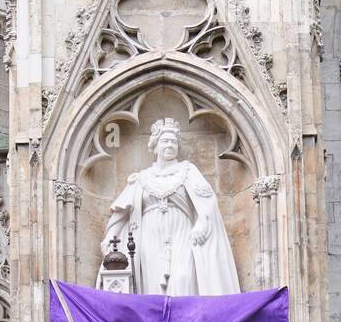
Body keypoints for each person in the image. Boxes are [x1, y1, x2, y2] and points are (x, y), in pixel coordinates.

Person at [99, 117, 240, 296]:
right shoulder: (142, 178)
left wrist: (202, 223)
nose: (170, 145)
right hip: (149, 235)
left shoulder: (187, 171)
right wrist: (111, 236)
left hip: (182, 231)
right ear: (155, 145)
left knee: (183, 278)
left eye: (174, 142)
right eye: (165, 141)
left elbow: (207, 201)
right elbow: (121, 212)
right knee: (153, 287)